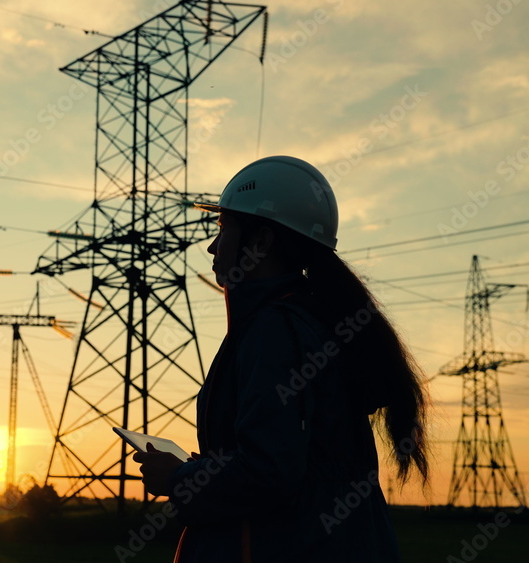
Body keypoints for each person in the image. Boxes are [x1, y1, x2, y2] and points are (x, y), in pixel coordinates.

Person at [134, 156, 429, 562]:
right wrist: (209, 469)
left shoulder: (276, 331)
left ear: (260, 243)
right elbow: (291, 461)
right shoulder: (306, 322)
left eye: (224, 229)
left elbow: (268, 474)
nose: (212, 246)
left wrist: (179, 477)